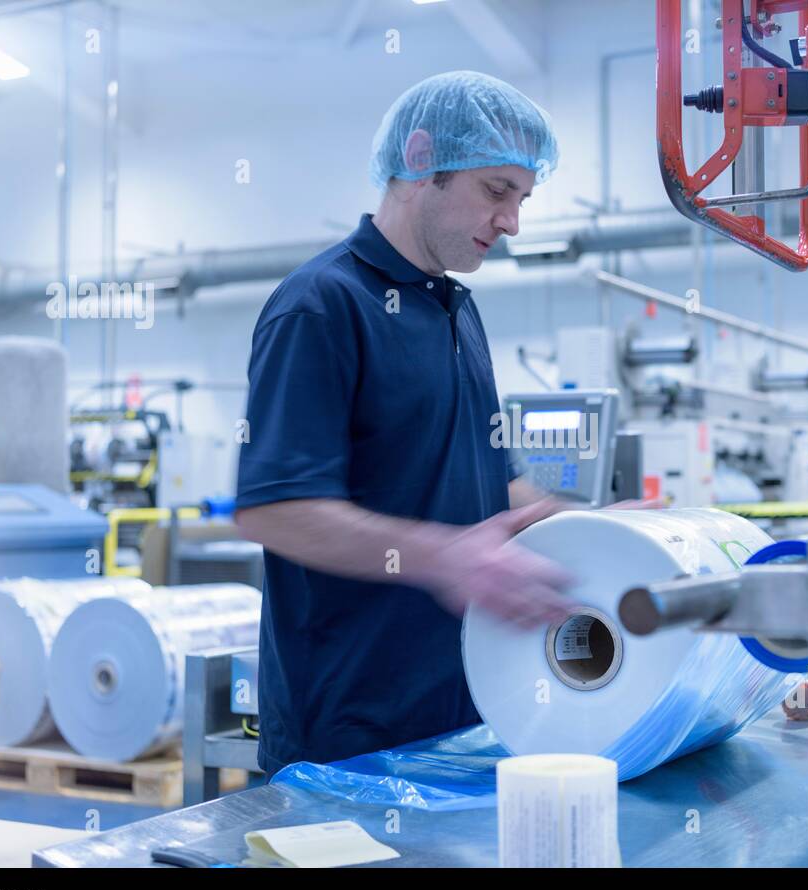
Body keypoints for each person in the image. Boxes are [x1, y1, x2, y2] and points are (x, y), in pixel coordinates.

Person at [234, 72, 585, 775]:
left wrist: (601, 531)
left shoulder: (458, 310)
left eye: (523, 197)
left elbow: (498, 481)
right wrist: (444, 556)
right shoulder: (321, 306)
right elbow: (273, 508)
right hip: (349, 740)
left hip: (467, 714)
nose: (512, 221)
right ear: (421, 160)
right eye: (496, 191)